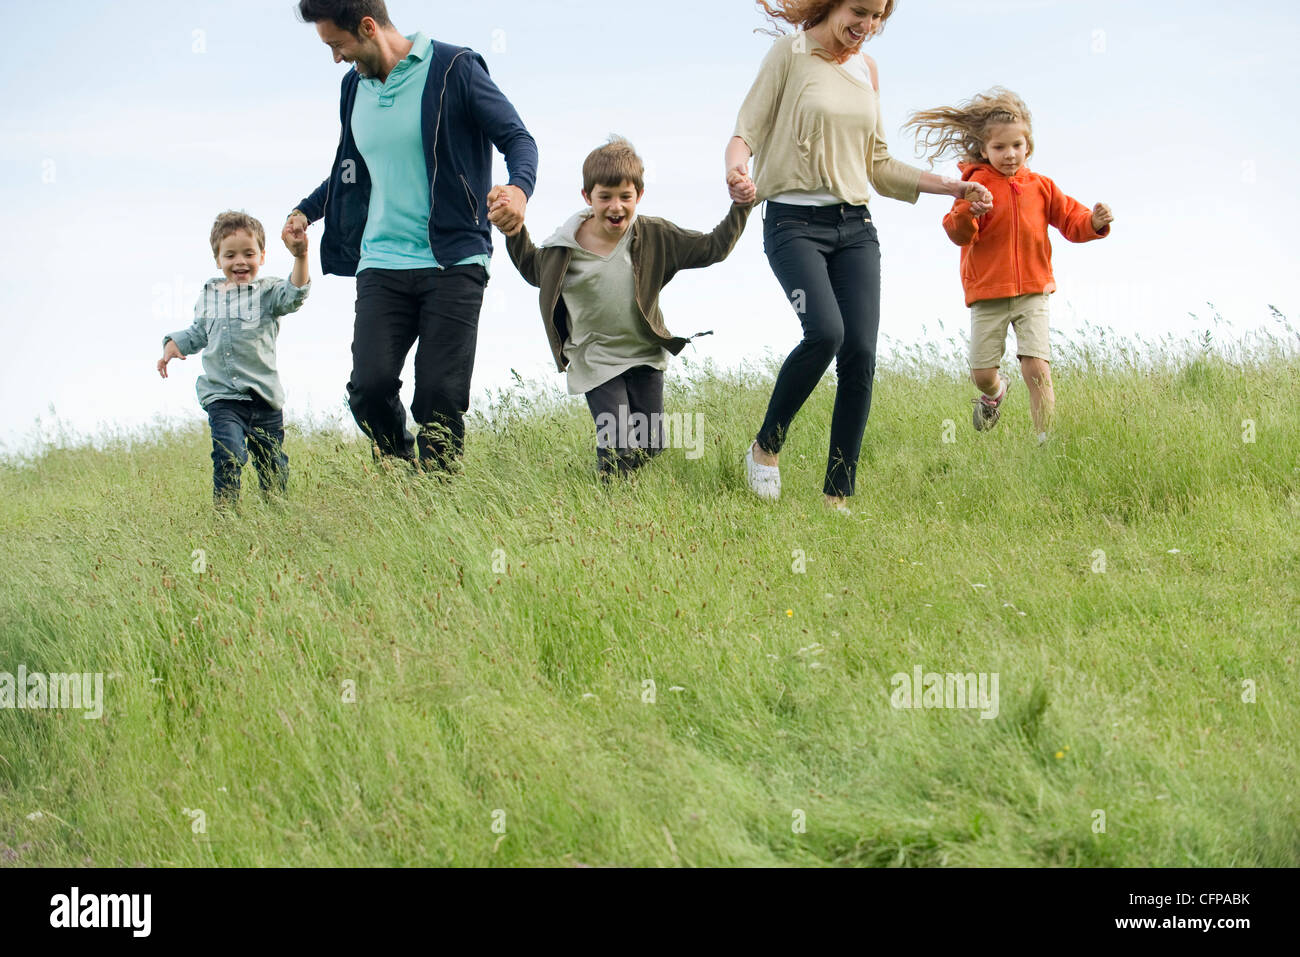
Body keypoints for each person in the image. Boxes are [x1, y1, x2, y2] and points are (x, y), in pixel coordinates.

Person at [727, 0, 994, 513]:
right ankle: (766, 445)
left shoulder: (866, 70)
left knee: (861, 355)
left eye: (877, 17)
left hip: (855, 228)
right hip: (792, 223)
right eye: (859, 11)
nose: (867, 26)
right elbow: (746, 133)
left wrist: (953, 187)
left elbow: (878, 163)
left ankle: (837, 496)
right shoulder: (789, 53)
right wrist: (737, 171)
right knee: (826, 332)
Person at [286, 0, 538, 472]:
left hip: (453, 259)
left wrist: (519, 190)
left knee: (441, 396)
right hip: (381, 262)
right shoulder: (352, 88)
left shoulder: (454, 68)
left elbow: (518, 138)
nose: (336, 58)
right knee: (369, 388)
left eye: (337, 45)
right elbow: (352, 168)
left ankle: (437, 500)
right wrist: (306, 210)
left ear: (367, 27)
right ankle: (402, 467)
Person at [500, 136, 752, 477]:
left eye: (625, 197)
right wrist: (514, 231)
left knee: (651, 444)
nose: (615, 206)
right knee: (618, 447)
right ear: (588, 197)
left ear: (639, 196)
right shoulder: (565, 246)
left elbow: (712, 248)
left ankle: (626, 486)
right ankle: (613, 504)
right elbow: (534, 270)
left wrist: (740, 207)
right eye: (605, 197)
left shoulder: (654, 235)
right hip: (596, 358)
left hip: (644, 354)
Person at [906, 88, 1113, 441]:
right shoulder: (975, 186)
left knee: (1037, 368)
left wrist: (1093, 223)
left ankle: (1044, 442)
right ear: (984, 150)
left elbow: (1070, 220)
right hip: (988, 294)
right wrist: (970, 212)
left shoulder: (1042, 187)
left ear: (1027, 147)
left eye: (1016, 146)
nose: (1009, 154)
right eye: (999, 148)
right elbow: (957, 233)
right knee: (982, 372)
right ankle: (994, 393)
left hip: (1034, 291)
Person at [157, 211, 311, 507]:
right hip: (223, 398)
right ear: (218, 260)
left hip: (263, 398)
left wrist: (301, 256)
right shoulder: (209, 294)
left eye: (248, 253)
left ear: (262, 256)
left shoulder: (268, 292)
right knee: (228, 455)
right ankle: (226, 518)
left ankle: (278, 519)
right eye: (230, 255)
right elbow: (199, 331)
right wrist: (174, 344)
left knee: (272, 468)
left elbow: (295, 294)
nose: (240, 261)